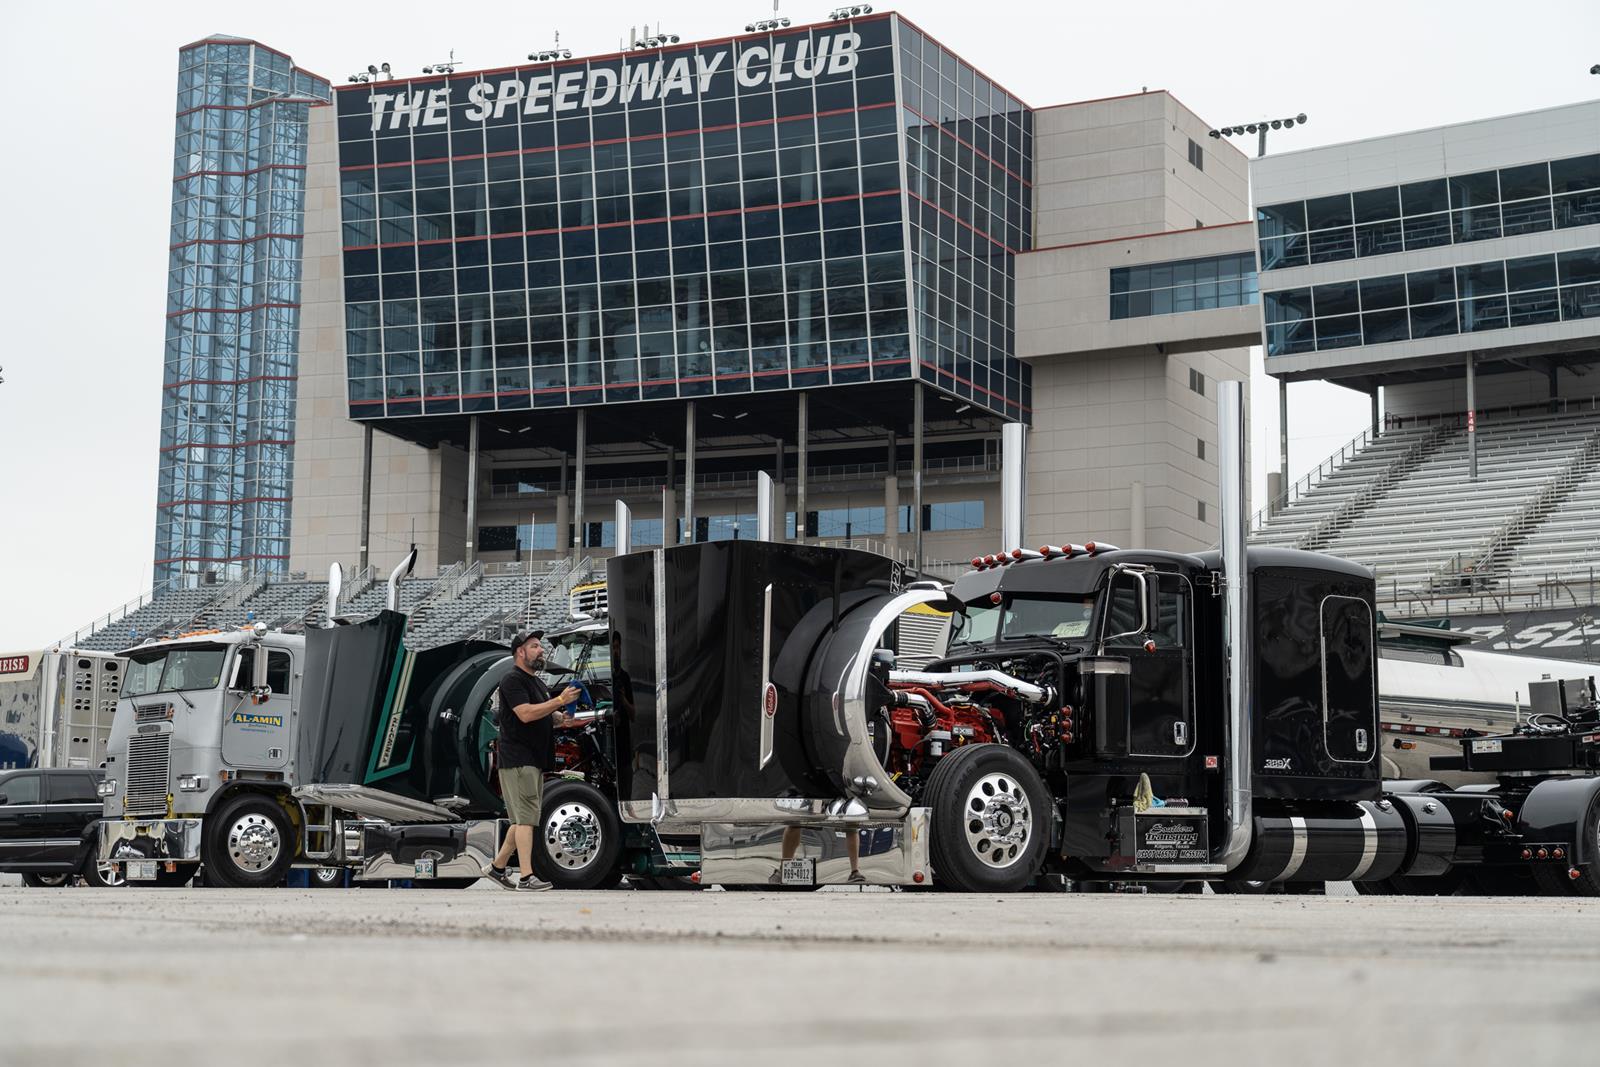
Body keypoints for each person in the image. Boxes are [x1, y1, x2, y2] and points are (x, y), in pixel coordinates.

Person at [482, 630, 579, 891]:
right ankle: (526, 877)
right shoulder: (512, 680)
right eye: (534, 646)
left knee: (523, 819)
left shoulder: (537, 683)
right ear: (520, 652)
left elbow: (547, 714)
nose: (541, 650)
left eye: (540, 646)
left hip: (532, 760)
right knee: (526, 820)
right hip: (518, 759)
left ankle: (497, 868)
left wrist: (564, 716)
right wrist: (559, 700)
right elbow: (525, 714)